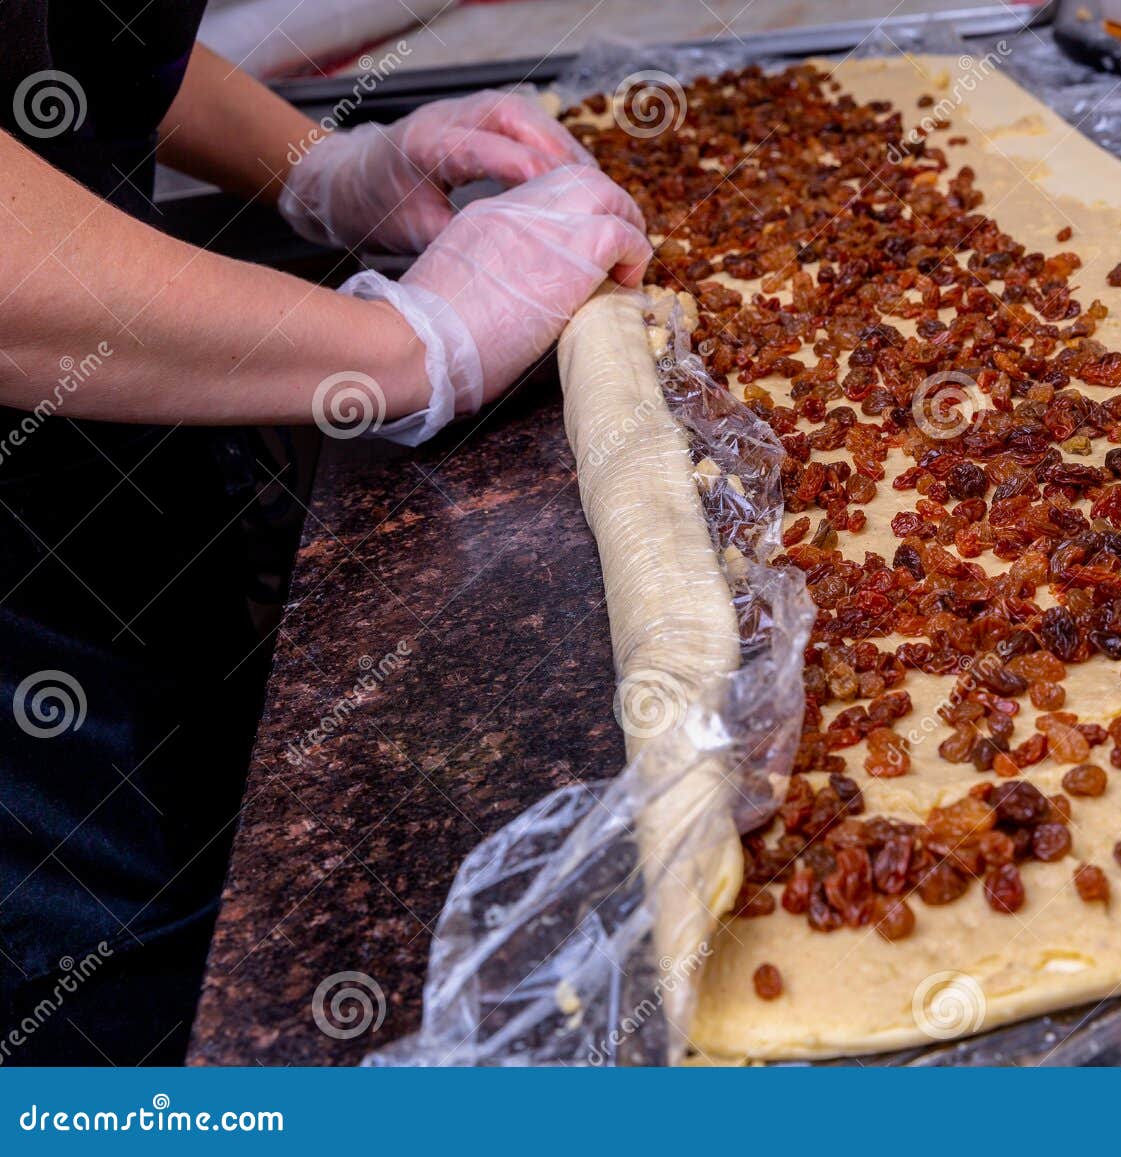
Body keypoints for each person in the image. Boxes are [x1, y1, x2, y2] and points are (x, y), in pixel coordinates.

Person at [0, 2, 650, 1064]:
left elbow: (61, 39)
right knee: (114, 1017)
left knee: (220, 888)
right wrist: (408, 345)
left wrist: (319, 165)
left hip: (108, 449)